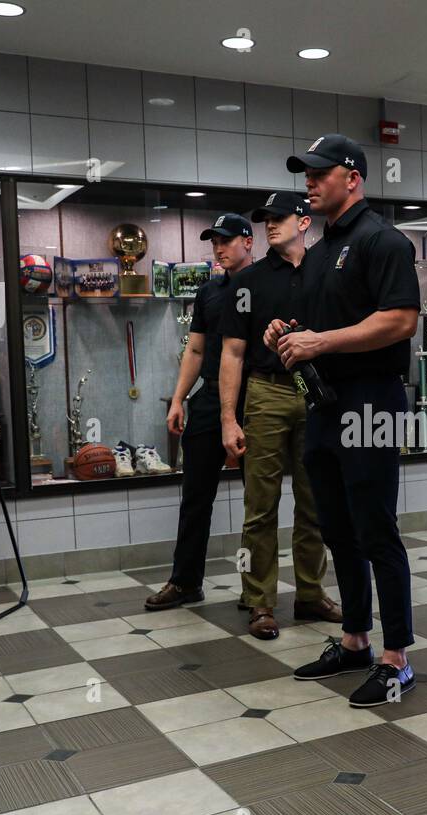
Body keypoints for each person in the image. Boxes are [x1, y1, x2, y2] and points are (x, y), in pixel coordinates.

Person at [265, 134, 420, 708]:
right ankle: (355, 638)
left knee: (376, 529)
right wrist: (286, 332)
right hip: (325, 405)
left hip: (372, 402)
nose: (309, 182)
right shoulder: (324, 249)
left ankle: (396, 657)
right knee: (337, 528)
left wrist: (321, 340)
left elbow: (401, 319)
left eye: (319, 173)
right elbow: (319, 325)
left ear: (352, 177)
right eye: (305, 174)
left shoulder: (383, 241)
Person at [218, 191, 342, 639]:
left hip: (316, 395)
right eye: (265, 219)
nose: (270, 224)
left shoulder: (326, 271)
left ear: (304, 221)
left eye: (279, 217)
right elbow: (231, 354)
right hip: (265, 394)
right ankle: (260, 601)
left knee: (315, 502)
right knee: (260, 505)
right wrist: (229, 419)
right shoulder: (247, 282)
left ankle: (310, 593)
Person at [145, 213, 254, 611]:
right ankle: (185, 582)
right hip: (208, 401)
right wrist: (177, 399)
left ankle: (256, 590)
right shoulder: (209, 291)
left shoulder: (265, 285)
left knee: (257, 503)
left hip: (253, 400)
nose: (219, 249)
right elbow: (194, 349)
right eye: (214, 243)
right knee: (195, 497)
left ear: (248, 241)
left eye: (226, 241)